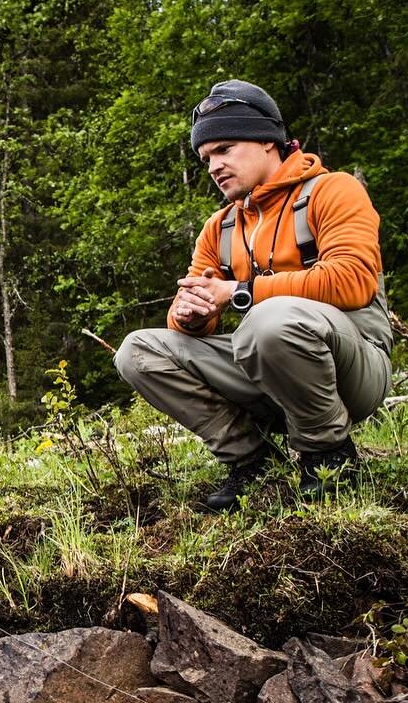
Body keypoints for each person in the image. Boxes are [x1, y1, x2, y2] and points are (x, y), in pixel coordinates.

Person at [114, 79, 393, 511]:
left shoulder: (332, 190)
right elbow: (190, 311)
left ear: (268, 141)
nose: (213, 166)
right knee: (138, 351)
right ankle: (251, 459)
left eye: (224, 149)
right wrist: (191, 314)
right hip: (266, 364)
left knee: (269, 320)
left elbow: (353, 280)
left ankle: (327, 456)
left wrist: (240, 292)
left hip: (353, 370)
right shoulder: (220, 227)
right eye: (206, 158)